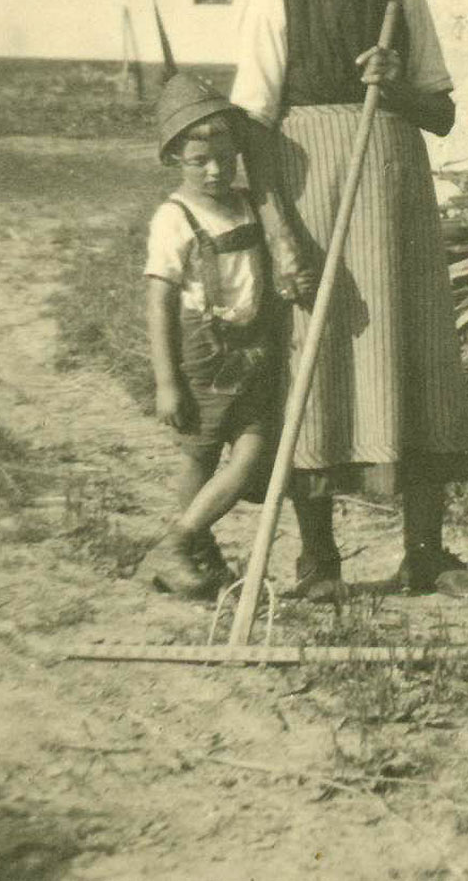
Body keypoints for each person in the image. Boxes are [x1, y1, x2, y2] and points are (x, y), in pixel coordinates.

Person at [229, 0, 468, 599]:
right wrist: (278, 232)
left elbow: (442, 113)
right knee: (320, 359)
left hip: (397, 205)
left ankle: (425, 554)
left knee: (416, 354)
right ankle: (319, 563)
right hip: (315, 199)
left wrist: (395, 87)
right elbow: (250, 125)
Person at [138, 74, 278, 600]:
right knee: (200, 455)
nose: (216, 171)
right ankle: (189, 549)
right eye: (200, 161)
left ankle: (181, 543)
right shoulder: (175, 218)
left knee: (252, 453)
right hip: (204, 352)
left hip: (253, 349)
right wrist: (166, 383)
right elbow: (159, 303)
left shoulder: (246, 205)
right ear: (176, 158)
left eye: (224, 158)